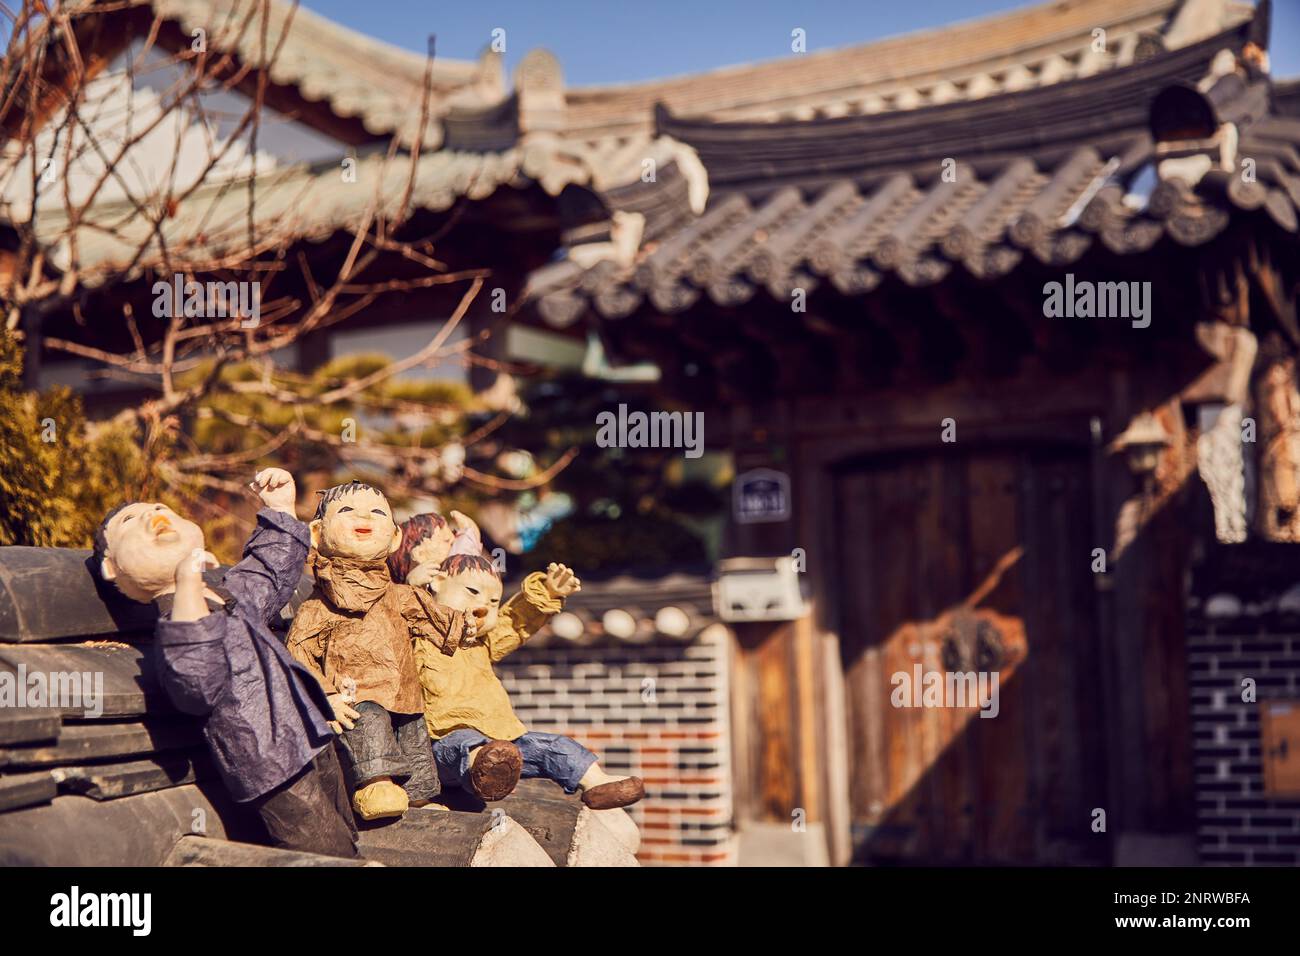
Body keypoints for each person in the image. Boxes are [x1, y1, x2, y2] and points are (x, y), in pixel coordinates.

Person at [93, 468, 357, 857]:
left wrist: (280, 509)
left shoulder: (229, 594)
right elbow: (197, 685)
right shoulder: (175, 625)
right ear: (112, 568)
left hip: (309, 733)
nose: (153, 513)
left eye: (159, 505)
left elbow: (268, 572)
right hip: (270, 761)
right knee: (322, 847)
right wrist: (185, 588)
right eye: (131, 521)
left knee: (345, 831)